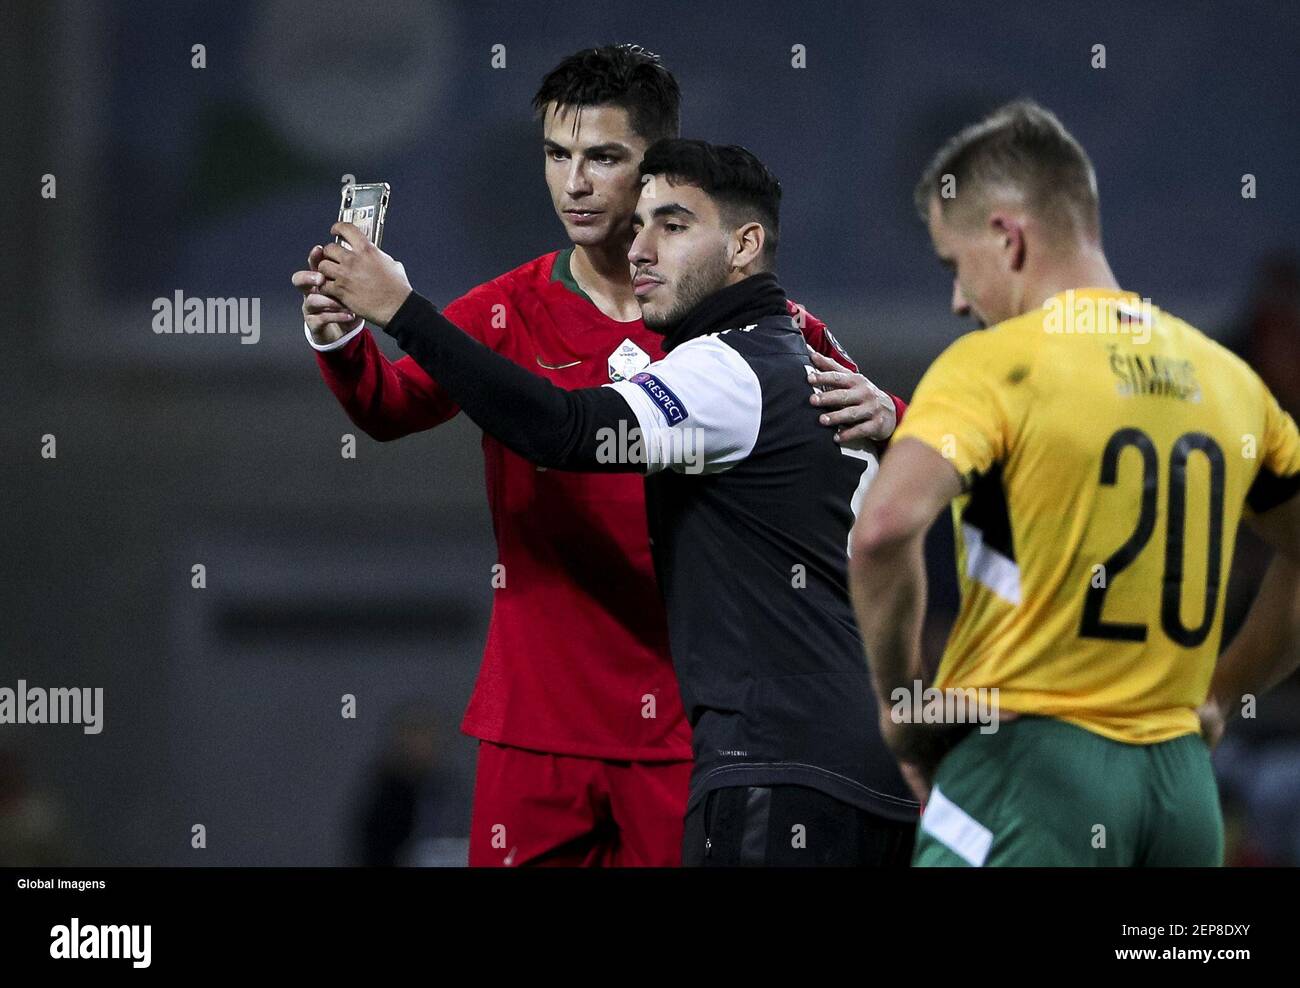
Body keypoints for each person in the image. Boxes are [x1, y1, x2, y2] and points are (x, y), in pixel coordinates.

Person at [292, 45, 903, 867]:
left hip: (687, 728)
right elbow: (388, 408)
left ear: (656, 168)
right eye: (557, 155)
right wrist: (340, 339)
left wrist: (892, 416)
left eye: (603, 158)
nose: (574, 183)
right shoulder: (505, 310)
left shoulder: (747, 328)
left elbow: (889, 437)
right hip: (537, 723)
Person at [848, 99, 1300, 866]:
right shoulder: (1229, 380)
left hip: (1029, 772)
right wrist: (1223, 692)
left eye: (955, 266)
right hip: (1182, 792)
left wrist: (901, 702)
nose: (958, 300)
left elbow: (884, 530)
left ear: (1008, 236)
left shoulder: (995, 365)